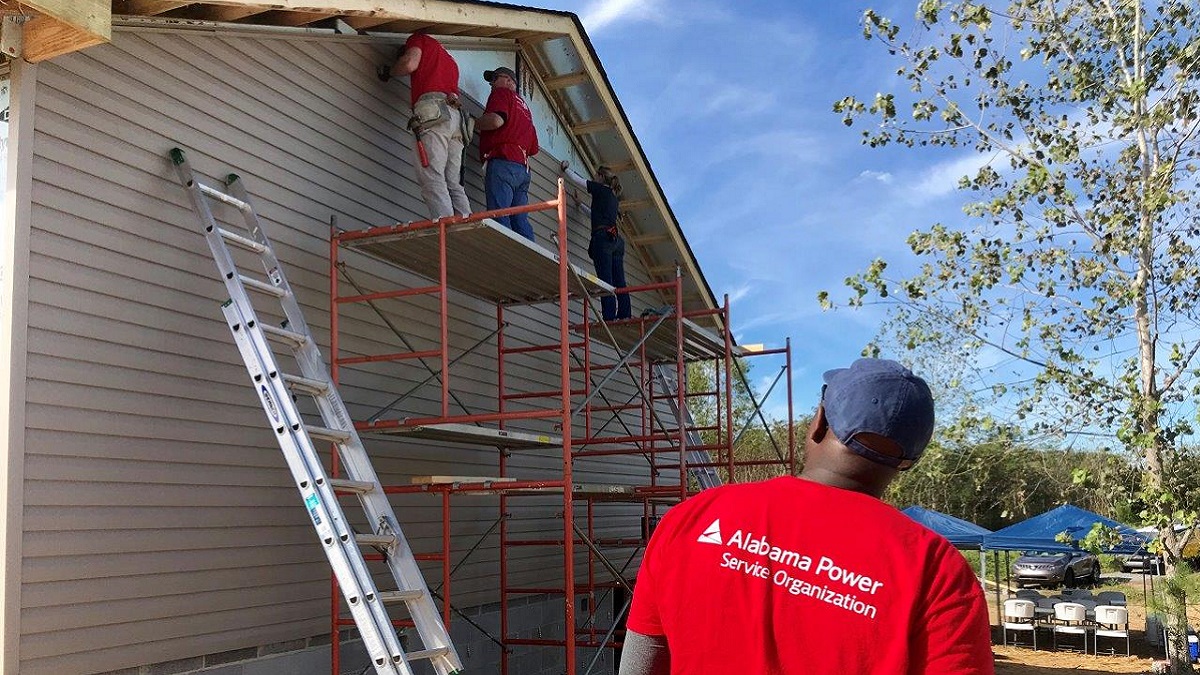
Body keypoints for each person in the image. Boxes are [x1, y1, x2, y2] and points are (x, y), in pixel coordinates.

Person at [619, 358, 994, 675]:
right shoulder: (936, 569)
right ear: (909, 461)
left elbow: (640, 664)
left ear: (818, 422)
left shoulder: (692, 518)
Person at [380, 32, 471, 220]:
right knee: (454, 182)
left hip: (435, 114)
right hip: (456, 119)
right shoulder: (450, 61)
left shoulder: (418, 39)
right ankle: (466, 223)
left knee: (432, 176)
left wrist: (389, 71)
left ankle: (447, 229)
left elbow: (409, 64)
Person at [561, 161, 631, 320]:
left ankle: (609, 317)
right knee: (619, 280)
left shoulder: (600, 189)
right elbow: (596, 216)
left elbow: (578, 181)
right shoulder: (612, 197)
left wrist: (566, 169)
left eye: (595, 176)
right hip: (615, 240)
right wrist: (581, 205)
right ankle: (625, 314)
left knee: (605, 280)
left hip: (603, 240)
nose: (593, 178)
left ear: (600, 177)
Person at [476, 66, 539, 241]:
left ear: (510, 81)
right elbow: (534, 148)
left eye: (495, 78)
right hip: (523, 170)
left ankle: (505, 256)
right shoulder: (526, 110)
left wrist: (472, 122)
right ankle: (529, 260)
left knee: (499, 215)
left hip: (503, 162)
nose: (492, 83)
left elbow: (496, 121)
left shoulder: (501, 94)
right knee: (520, 220)